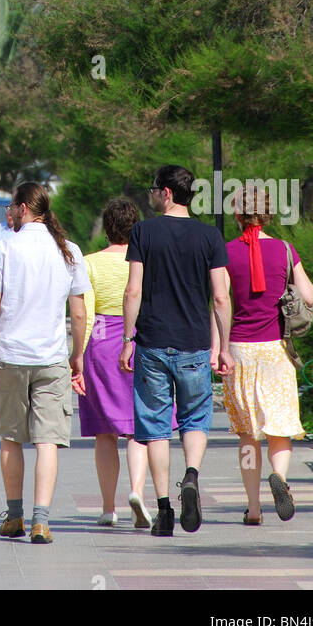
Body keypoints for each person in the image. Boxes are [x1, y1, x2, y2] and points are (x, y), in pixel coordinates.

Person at [119, 164, 233, 537]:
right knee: (195, 418)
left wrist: (126, 338)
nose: (151, 195)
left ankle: (165, 510)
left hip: (151, 343)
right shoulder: (210, 236)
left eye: (154, 189)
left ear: (167, 193)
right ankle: (192, 475)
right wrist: (225, 347)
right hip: (195, 344)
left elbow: (133, 290)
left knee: (153, 426)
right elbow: (220, 295)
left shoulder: (144, 232)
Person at [0, 182, 90, 544]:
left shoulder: (3, 247)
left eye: (11, 206)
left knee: (11, 437)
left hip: (11, 355)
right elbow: (80, 312)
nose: (9, 212)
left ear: (24, 208)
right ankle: (41, 520)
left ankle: (14, 516)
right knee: (47, 441)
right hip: (52, 356)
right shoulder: (68, 250)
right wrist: (78, 355)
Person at [218, 186, 313, 525]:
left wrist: (218, 349)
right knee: (279, 427)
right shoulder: (286, 250)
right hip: (276, 349)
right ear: (270, 213)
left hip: (240, 351)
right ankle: (281, 479)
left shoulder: (226, 252)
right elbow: (309, 294)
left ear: (237, 214)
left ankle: (254, 508)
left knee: (248, 434)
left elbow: (219, 302)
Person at [79, 198, 154, 529]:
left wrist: (77, 359)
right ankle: (137, 491)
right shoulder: (145, 260)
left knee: (104, 432)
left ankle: (109, 507)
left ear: (107, 227)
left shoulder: (89, 262)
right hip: (138, 338)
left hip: (100, 341)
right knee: (139, 427)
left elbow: (85, 312)